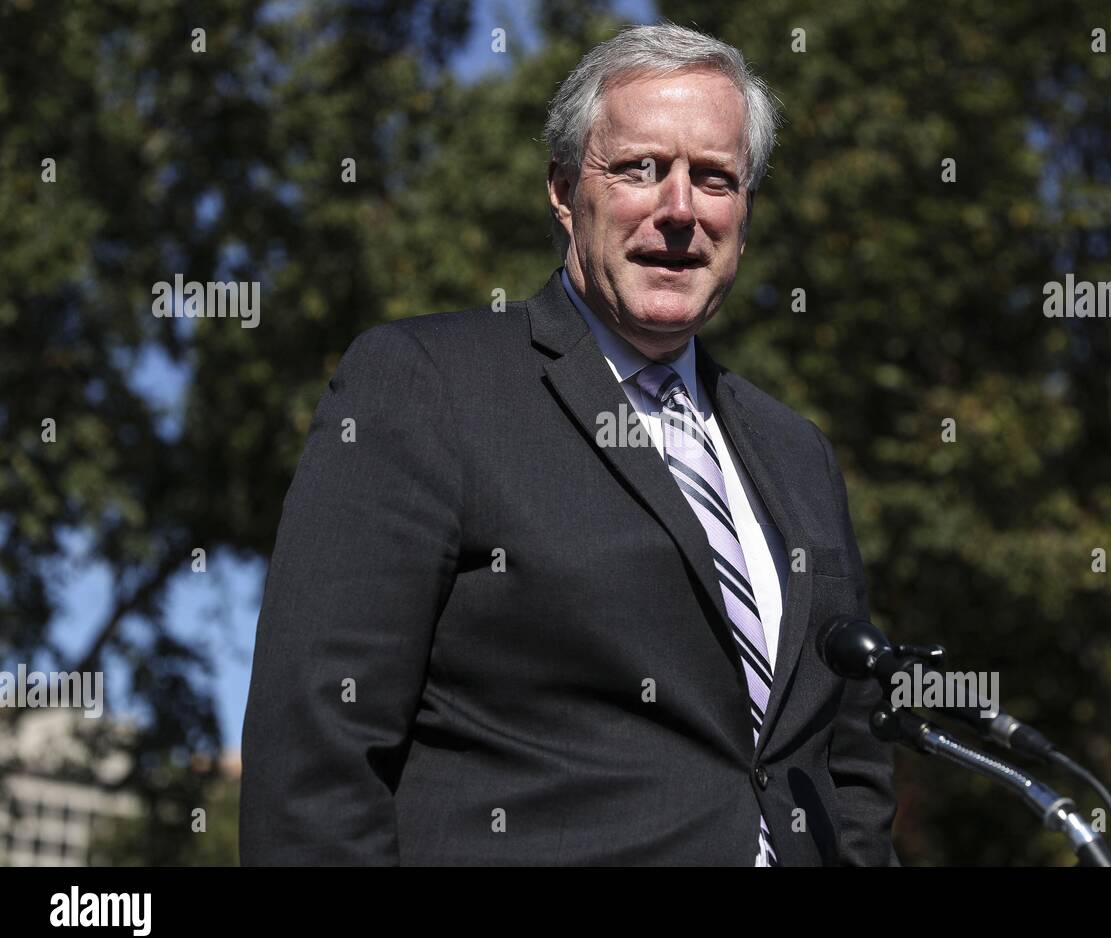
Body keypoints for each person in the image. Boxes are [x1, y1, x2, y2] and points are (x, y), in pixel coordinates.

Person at [240, 21, 898, 866]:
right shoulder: (425, 386)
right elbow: (315, 753)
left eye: (715, 178)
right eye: (639, 169)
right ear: (561, 188)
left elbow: (852, 775)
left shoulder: (797, 452)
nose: (679, 210)